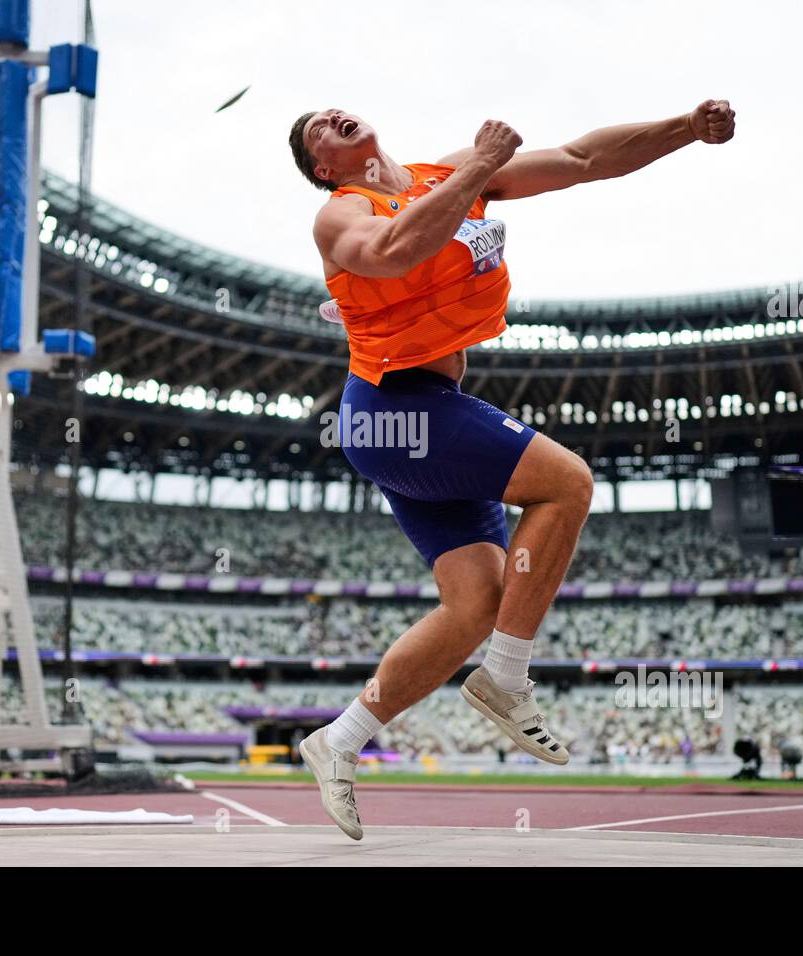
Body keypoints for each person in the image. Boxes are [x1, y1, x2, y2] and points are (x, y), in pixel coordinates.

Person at [289, 100, 736, 839]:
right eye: (314, 133)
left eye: (333, 110)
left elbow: (587, 160)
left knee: (476, 604)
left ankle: (338, 738)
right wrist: (480, 166)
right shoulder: (342, 211)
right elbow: (395, 251)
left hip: (427, 406)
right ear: (322, 167)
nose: (330, 117)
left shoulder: (446, 173)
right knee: (567, 482)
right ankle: (506, 678)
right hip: (392, 409)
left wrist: (684, 128)